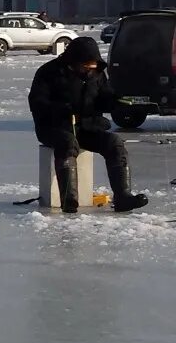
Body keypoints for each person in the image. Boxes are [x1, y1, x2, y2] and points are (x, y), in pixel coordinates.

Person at [29, 37, 147, 214]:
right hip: (54, 128)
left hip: (87, 127)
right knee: (68, 142)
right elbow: (37, 103)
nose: (89, 70)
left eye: (92, 66)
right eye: (85, 65)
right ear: (73, 61)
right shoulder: (49, 72)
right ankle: (69, 200)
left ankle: (123, 197)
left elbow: (103, 98)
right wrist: (63, 110)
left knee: (114, 143)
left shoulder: (97, 73)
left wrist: (117, 102)